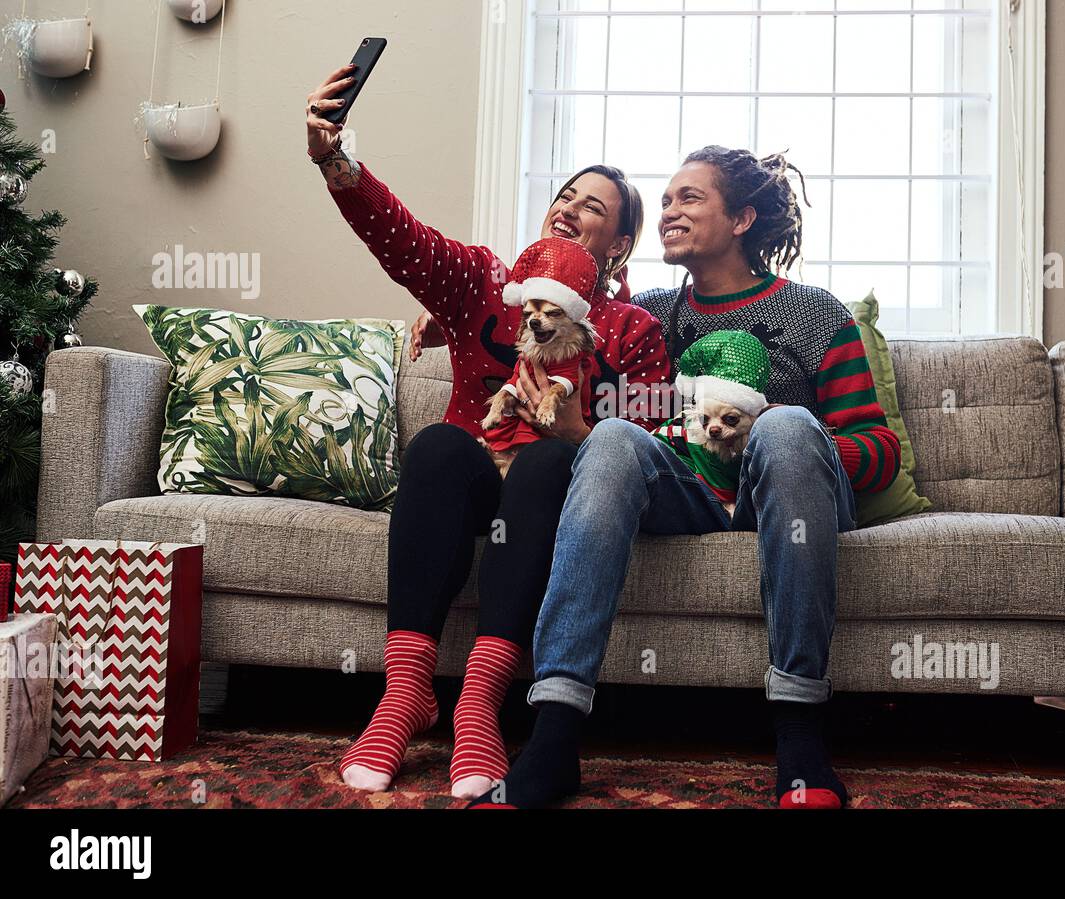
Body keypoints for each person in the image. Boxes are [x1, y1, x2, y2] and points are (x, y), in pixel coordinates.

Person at [474, 146, 902, 810]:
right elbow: (545, 319)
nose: (670, 210)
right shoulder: (644, 317)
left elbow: (880, 448)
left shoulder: (816, 314)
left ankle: (800, 738)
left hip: (784, 495)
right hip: (691, 496)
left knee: (786, 430)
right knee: (614, 435)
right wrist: (448, 327)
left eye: (690, 198)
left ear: (742, 219)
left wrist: (792, 434)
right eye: (666, 199)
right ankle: (554, 736)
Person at [305, 64, 670, 797]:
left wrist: (576, 429)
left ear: (620, 243)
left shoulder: (633, 328)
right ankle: (405, 692)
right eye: (565, 193)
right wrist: (334, 159)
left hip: (549, 491)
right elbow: (400, 238)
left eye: (592, 206)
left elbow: (654, 445)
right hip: (471, 477)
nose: (570, 205)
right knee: (440, 444)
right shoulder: (482, 282)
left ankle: (480, 701)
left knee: (540, 464)